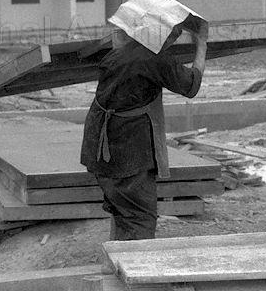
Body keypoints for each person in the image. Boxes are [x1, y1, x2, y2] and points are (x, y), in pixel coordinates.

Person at [80, 22, 208, 241]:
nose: (172, 43)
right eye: (172, 39)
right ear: (164, 38)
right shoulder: (156, 58)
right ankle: (135, 268)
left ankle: (115, 259)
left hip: (98, 144)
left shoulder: (118, 53)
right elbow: (191, 86)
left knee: (121, 209)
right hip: (127, 150)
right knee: (141, 216)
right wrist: (201, 44)